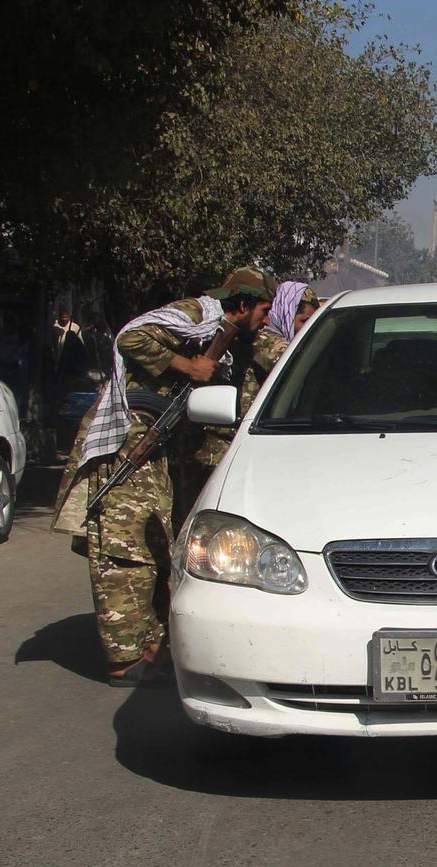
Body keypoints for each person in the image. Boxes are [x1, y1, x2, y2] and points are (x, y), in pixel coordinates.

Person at [72, 267, 274, 685]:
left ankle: (147, 641)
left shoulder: (228, 329)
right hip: (125, 437)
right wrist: (188, 365)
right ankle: (124, 658)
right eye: (263, 309)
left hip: (153, 438)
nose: (267, 319)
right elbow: (131, 337)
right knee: (123, 543)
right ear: (242, 304)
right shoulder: (195, 314)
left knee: (157, 541)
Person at [197, 279, 313, 469]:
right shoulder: (264, 340)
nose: (266, 321)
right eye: (304, 321)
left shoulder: (247, 334)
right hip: (226, 451)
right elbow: (306, 367)